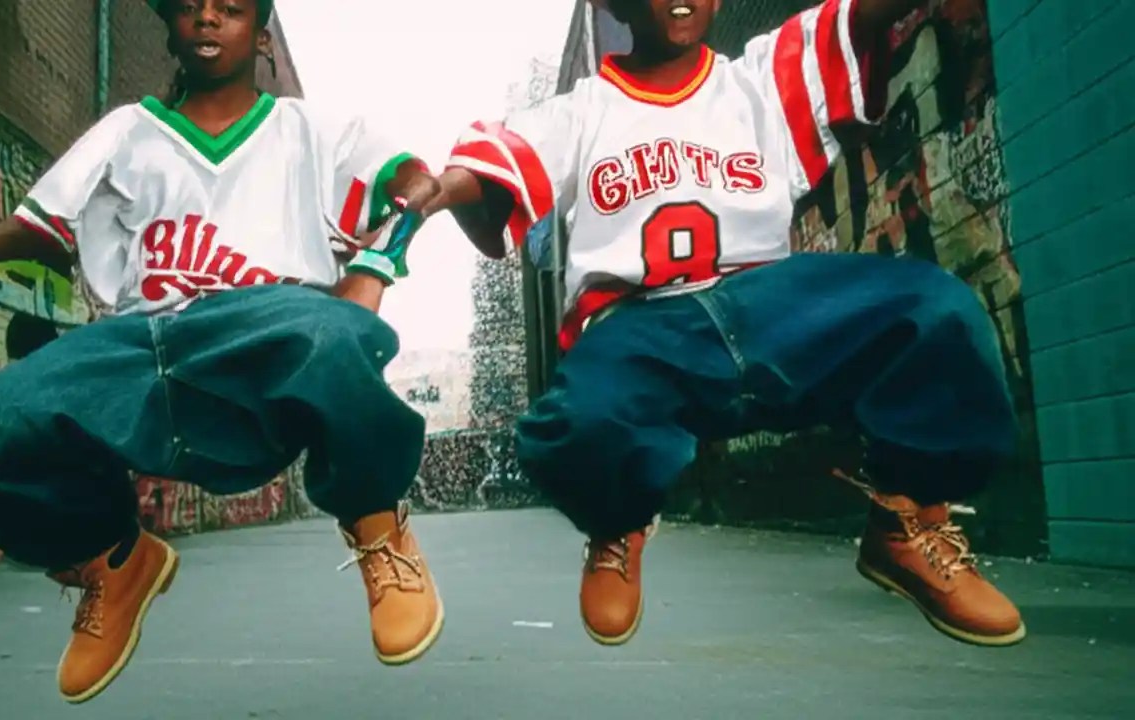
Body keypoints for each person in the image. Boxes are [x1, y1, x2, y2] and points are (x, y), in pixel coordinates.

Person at [425, 0, 1024, 648]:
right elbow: (500, 159)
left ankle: (907, 519)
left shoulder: (758, 80)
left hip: (767, 308)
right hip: (641, 324)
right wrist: (436, 187)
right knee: (568, 425)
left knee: (935, 308)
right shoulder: (584, 110)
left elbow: (856, 19)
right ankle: (617, 524)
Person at [0, 0, 443, 704]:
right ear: (168, 26)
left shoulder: (305, 128)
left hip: (263, 328)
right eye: (191, 8)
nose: (208, 21)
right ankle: (114, 562)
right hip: (145, 338)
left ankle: (378, 529)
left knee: (335, 332)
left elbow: (414, 181)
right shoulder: (129, 129)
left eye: (230, 9)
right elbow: (47, 226)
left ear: (261, 31)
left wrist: (376, 264)